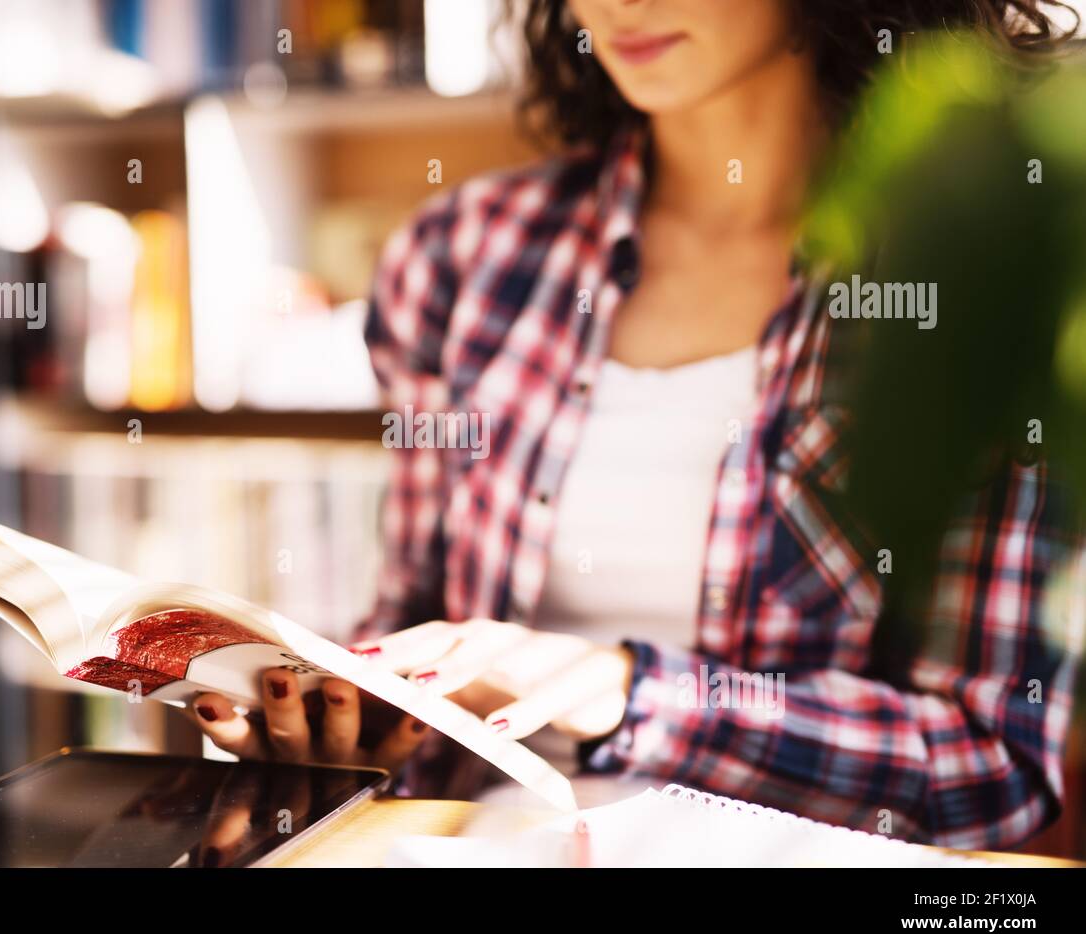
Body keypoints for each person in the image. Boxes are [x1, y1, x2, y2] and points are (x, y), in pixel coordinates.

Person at [190, 0, 1082, 849]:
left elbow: (991, 763)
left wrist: (627, 692)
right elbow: (415, 629)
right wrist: (344, 723)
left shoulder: (977, 266)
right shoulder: (462, 254)